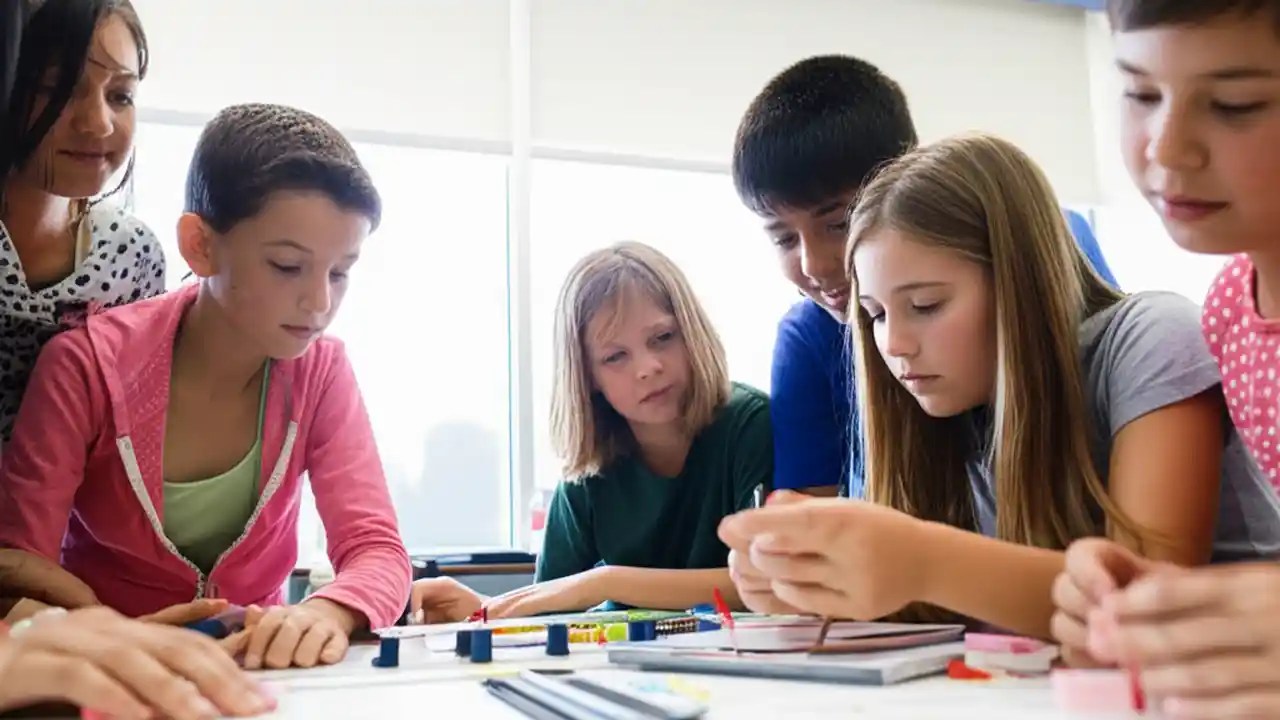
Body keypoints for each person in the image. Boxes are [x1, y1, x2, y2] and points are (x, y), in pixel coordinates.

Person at [719, 133, 1280, 641]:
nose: (894, 344)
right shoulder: (950, 406)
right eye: (876, 314)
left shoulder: (1152, 335)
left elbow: (1141, 603)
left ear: (1018, 280)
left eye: (926, 305)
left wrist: (921, 560)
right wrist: (814, 579)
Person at [0, 103, 411, 670]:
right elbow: (17, 574)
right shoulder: (85, 365)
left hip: (255, 680)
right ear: (200, 244)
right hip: (98, 677)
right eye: (287, 266)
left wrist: (328, 612)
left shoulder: (322, 371)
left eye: (340, 271)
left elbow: (377, 549)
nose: (320, 303)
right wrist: (104, 638)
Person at [732, 55, 1119, 497]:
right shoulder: (807, 337)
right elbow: (804, 519)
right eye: (783, 239)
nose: (813, 266)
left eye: (840, 224)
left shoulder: (1040, 240)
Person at [1055, 2, 1280, 717]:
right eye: (1141, 94)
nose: (1166, 148)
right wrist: (1152, 607)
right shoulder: (1231, 313)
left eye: (1236, 105)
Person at [411, 242, 771, 620]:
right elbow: (549, 604)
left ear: (692, 332)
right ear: (588, 377)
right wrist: (482, 610)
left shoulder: (751, 426)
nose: (648, 367)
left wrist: (606, 582)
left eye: (663, 338)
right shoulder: (587, 474)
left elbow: (764, 584)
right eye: (615, 357)